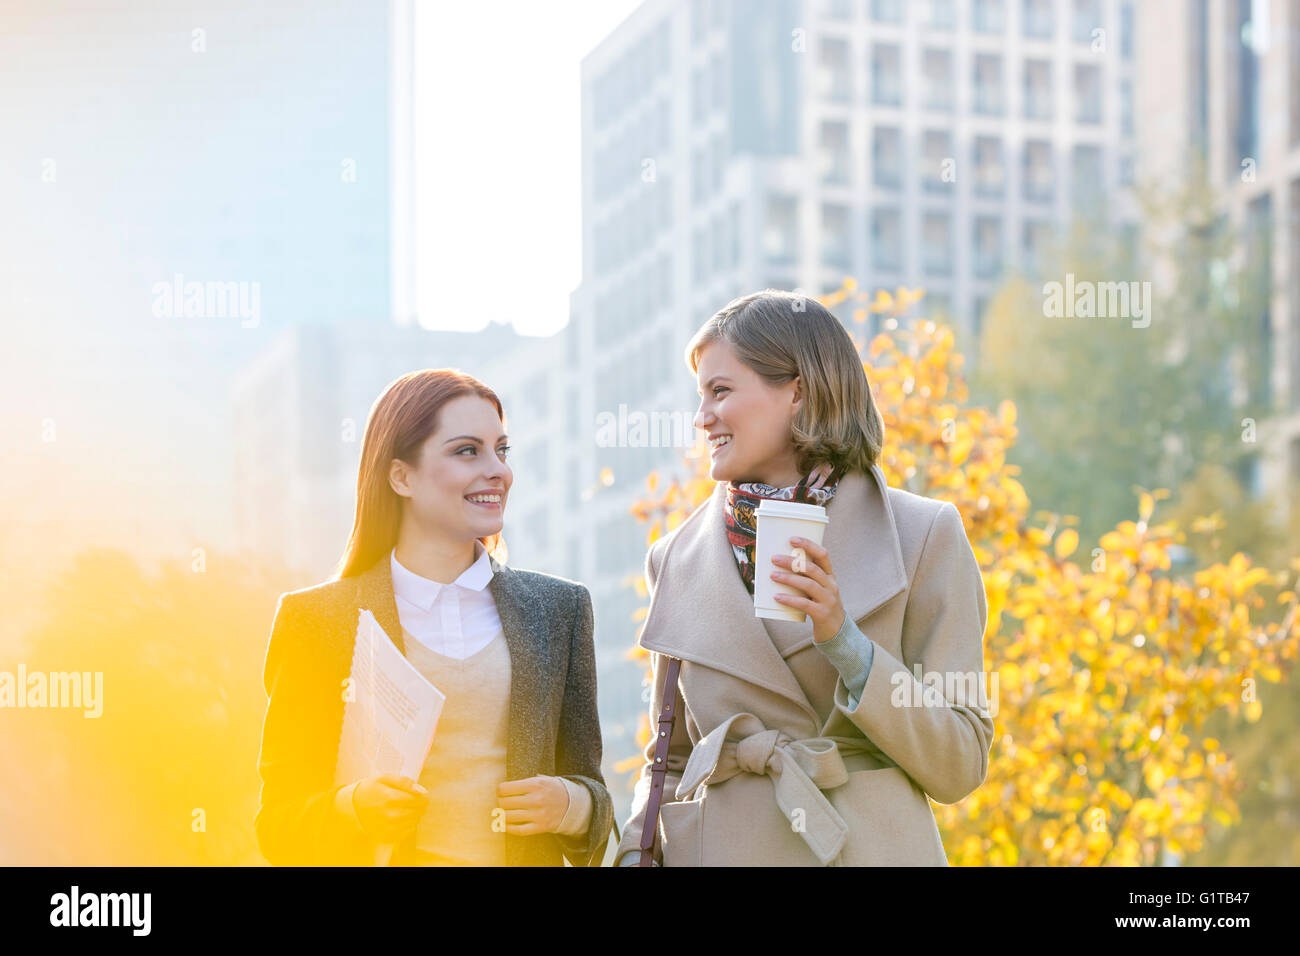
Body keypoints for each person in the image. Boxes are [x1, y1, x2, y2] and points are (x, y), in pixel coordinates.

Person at [616, 290, 994, 866]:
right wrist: (627, 855)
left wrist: (848, 646)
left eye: (721, 391)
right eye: (700, 396)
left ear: (797, 392)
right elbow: (668, 760)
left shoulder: (923, 536)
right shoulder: (673, 559)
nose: (701, 417)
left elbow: (960, 763)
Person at [255, 368, 613, 866]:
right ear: (401, 476)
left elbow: (593, 796)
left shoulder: (560, 610)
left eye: (501, 450)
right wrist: (353, 806)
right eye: (467, 450)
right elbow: (279, 826)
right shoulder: (316, 622)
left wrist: (570, 805)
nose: (498, 471)